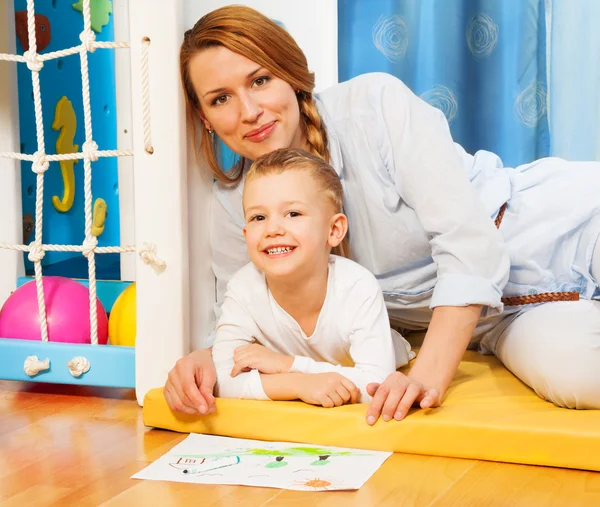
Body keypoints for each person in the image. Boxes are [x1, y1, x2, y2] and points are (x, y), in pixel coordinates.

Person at [164, 5, 600, 423]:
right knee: (579, 374)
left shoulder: (373, 107)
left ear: (291, 74)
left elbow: (470, 247)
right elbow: (247, 318)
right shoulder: (232, 207)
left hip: (560, 228)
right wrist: (203, 361)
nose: (248, 112)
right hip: (499, 319)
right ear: (204, 117)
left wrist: (427, 379)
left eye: (259, 80)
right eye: (220, 99)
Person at [209, 148, 413, 407]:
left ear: (334, 230)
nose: (272, 229)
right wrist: (299, 383)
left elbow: (376, 385)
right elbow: (223, 380)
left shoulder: (358, 287)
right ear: (246, 232)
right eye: (259, 217)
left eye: (293, 214)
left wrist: (289, 365)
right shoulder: (243, 288)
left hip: (388, 352)